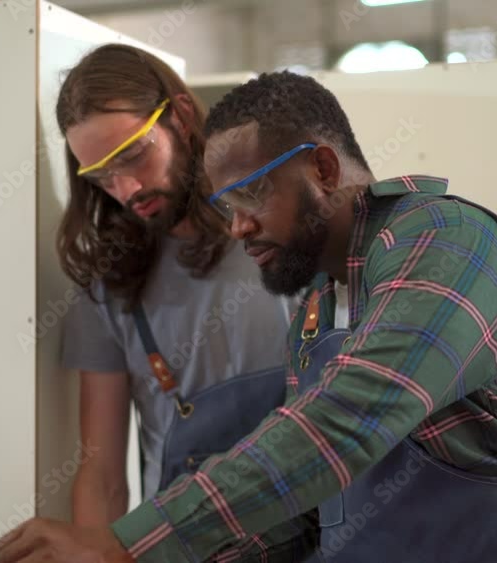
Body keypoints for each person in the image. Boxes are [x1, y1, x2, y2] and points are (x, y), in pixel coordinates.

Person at [0, 71, 497, 562]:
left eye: (250, 195)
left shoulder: (448, 239)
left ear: (321, 168)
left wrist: (126, 543)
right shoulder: (318, 309)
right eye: (223, 203)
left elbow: (351, 419)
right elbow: (306, 512)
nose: (236, 225)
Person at [49, 47, 312, 560]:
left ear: (181, 116)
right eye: (101, 177)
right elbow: (102, 478)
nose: (125, 189)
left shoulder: (285, 233)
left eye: (132, 156)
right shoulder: (110, 287)